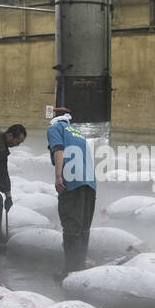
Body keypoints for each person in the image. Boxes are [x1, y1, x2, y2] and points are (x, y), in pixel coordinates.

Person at [47, 105, 97, 278]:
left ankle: (69, 272)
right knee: (83, 227)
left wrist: (58, 176)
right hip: (90, 183)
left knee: (70, 226)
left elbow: (58, 151)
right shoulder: (78, 133)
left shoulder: (55, 127)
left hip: (72, 182)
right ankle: (80, 266)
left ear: (55, 116)